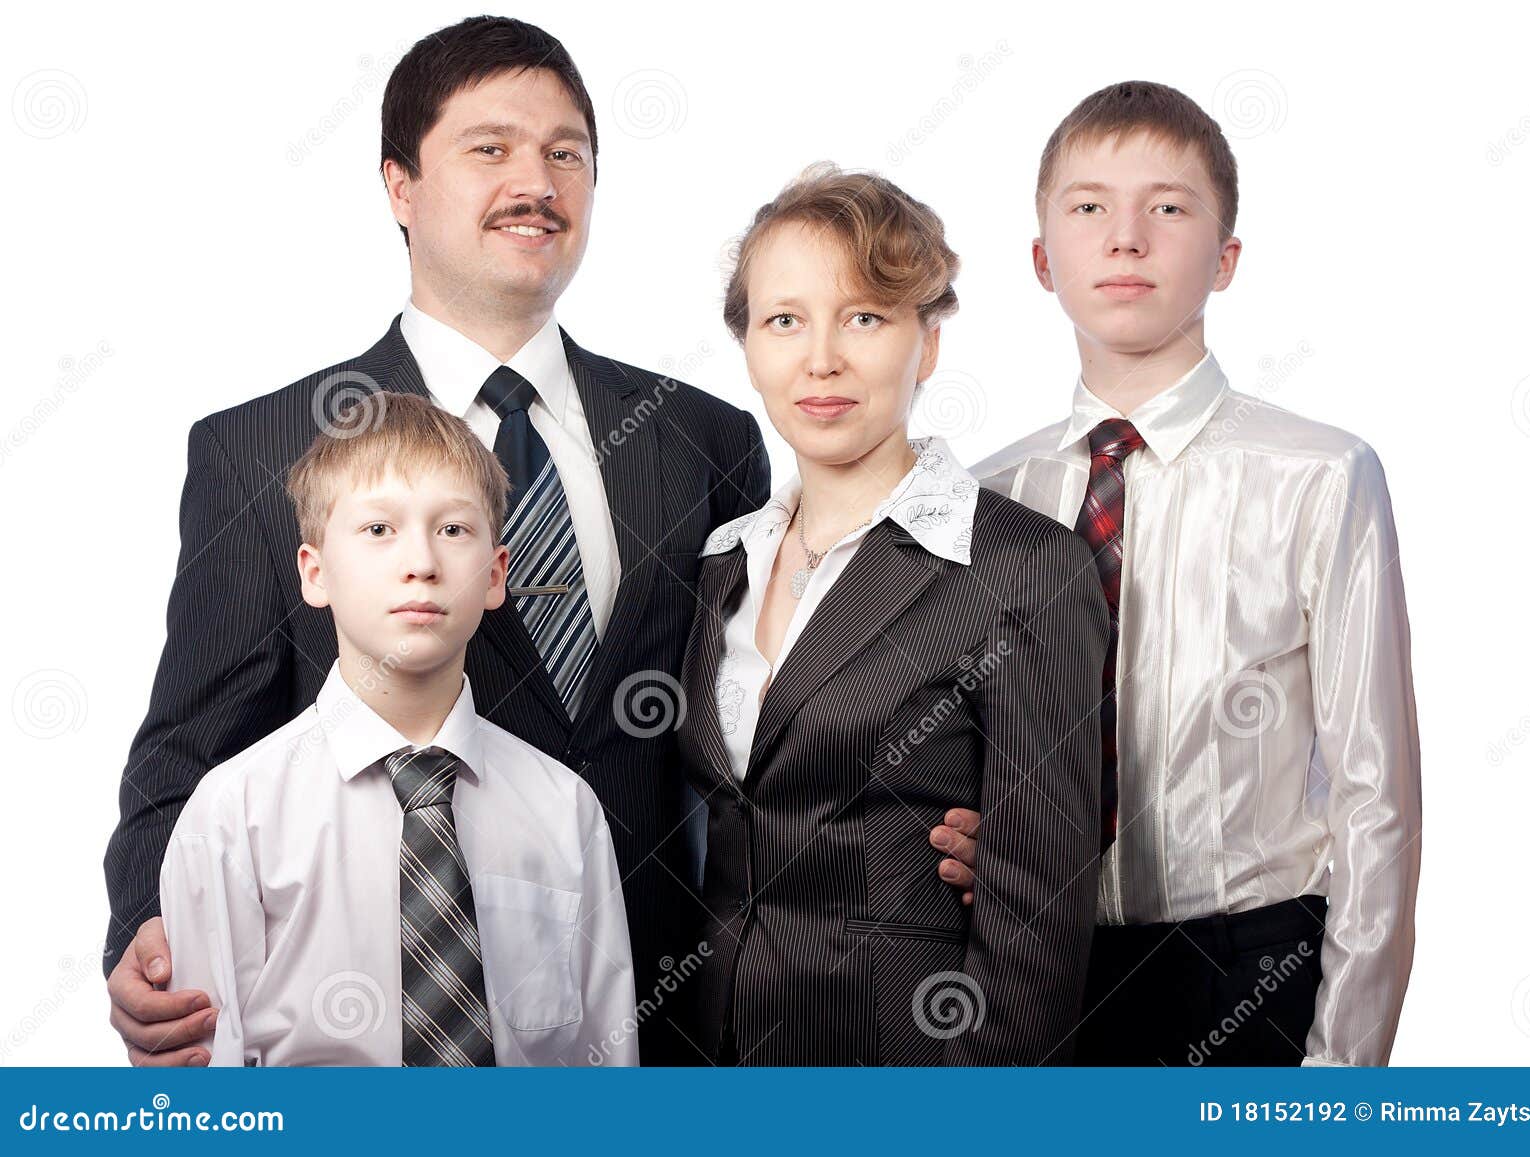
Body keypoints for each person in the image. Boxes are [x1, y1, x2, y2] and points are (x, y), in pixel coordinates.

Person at [103, 15, 975, 1067]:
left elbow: (762, 716)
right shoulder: (264, 450)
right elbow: (184, 753)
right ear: (398, 188)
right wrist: (147, 935)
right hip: (387, 1011)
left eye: (567, 152)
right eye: (490, 149)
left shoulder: (701, 436)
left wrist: (932, 815)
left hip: (681, 1010)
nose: (537, 180)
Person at [973, 80, 1422, 1066]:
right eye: (1088, 207)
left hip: (1248, 963)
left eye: (1166, 207)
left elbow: (1375, 789)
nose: (1125, 237)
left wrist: (1341, 1067)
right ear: (1043, 259)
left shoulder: (1319, 474)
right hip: (1035, 967)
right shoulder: (983, 498)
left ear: (1224, 259)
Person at [678, 165, 1106, 1066]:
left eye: (865, 316)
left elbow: (1039, 918)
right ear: (749, 344)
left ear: (929, 341)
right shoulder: (723, 560)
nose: (820, 358)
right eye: (783, 320)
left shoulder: (1021, 565)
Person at [159, 392, 636, 1065]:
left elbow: (603, 1066)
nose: (421, 561)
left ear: (496, 574)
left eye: (453, 530)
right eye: (379, 529)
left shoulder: (564, 809)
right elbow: (205, 1084)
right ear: (314, 571)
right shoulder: (235, 812)